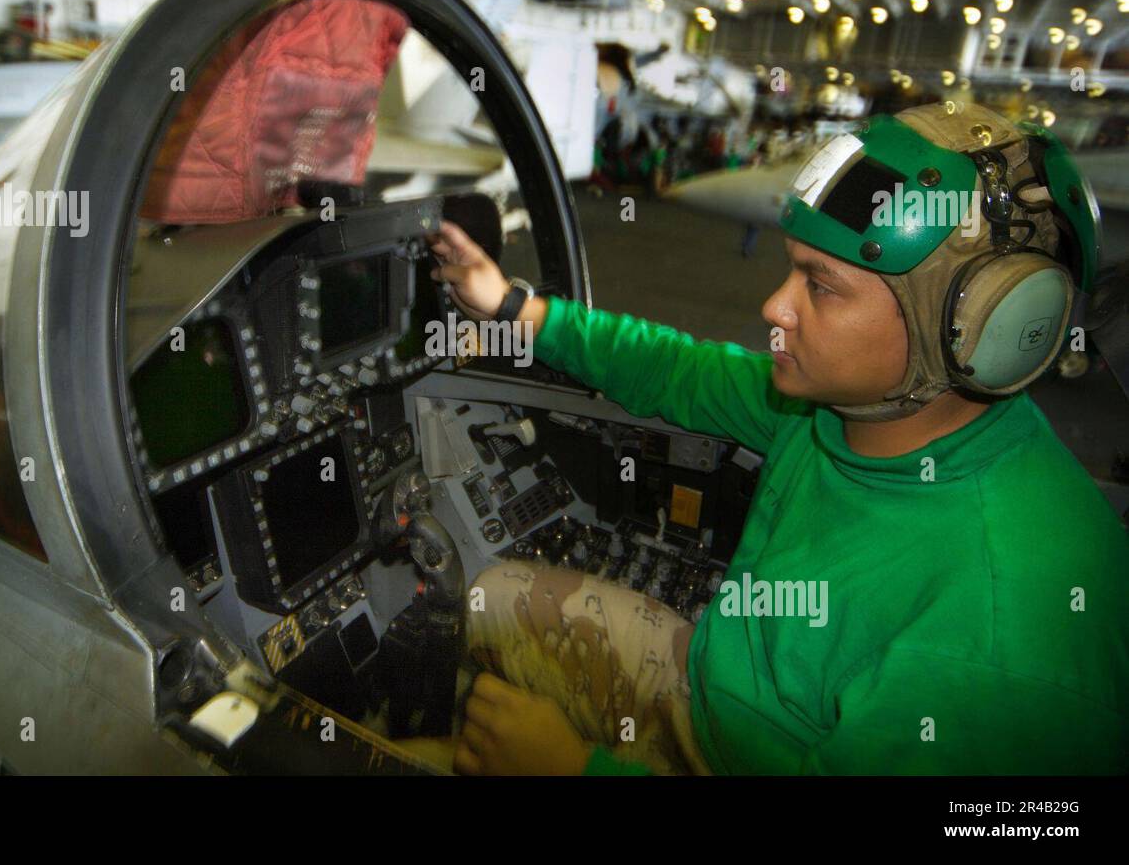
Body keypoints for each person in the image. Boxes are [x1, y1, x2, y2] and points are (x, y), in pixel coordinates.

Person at [428, 102, 1129, 776]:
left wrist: (575, 769)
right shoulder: (846, 407)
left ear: (980, 331)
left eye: (820, 286)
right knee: (488, 596)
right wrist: (517, 308)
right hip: (725, 700)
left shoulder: (999, 644)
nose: (774, 307)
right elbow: (673, 369)